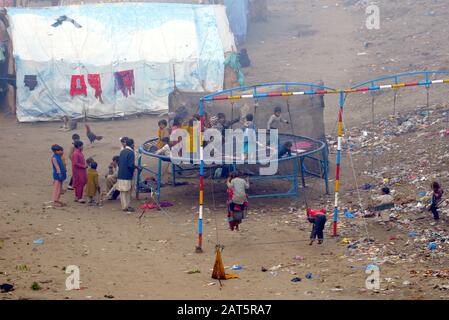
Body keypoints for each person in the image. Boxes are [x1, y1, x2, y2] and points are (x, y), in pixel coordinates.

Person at [117, 138, 136, 213]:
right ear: (132, 144)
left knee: (123, 192)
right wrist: (135, 167)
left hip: (121, 174)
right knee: (128, 191)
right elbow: (130, 165)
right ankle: (126, 206)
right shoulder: (131, 153)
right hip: (127, 174)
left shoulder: (122, 151)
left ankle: (124, 206)